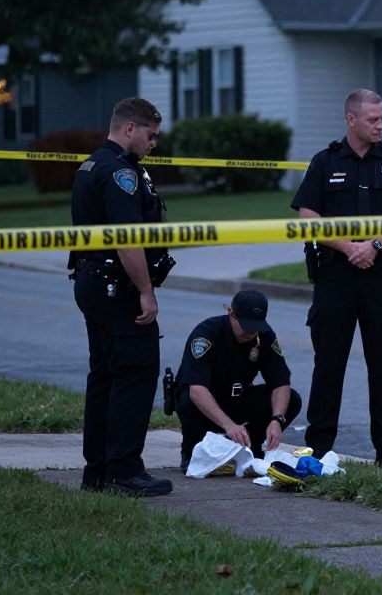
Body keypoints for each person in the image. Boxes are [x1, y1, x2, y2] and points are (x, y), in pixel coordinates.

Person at [291, 88, 382, 470]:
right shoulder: (325, 161)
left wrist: (375, 245)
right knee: (329, 362)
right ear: (351, 120)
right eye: (373, 119)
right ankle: (318, 447)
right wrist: (349, 247)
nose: (381, 125)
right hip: (335, 275)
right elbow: (307, 216)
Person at [69, 97, 175, 497]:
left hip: (94, 283)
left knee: (105, 375)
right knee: (135, 372)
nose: (153, 143)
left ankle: (97, 469)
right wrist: (146, 291)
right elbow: (127, 240)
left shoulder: (92, 164)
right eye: (150, 135)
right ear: (130, 129)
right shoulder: (119, 174)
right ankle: (124, 470)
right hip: (118, 288)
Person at [174, 290, 302, 470]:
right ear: (231, 314)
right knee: (188, 400)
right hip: (205, 405)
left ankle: (250, 447)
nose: (250, 331)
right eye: (246, 325)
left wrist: (277, 419)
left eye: (255, 326)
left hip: (237, 399)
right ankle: (193, 450)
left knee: (292, 399)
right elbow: (197, 390)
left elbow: (280, 382)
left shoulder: (264, 336)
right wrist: (229, 426)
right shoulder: (207, 333)